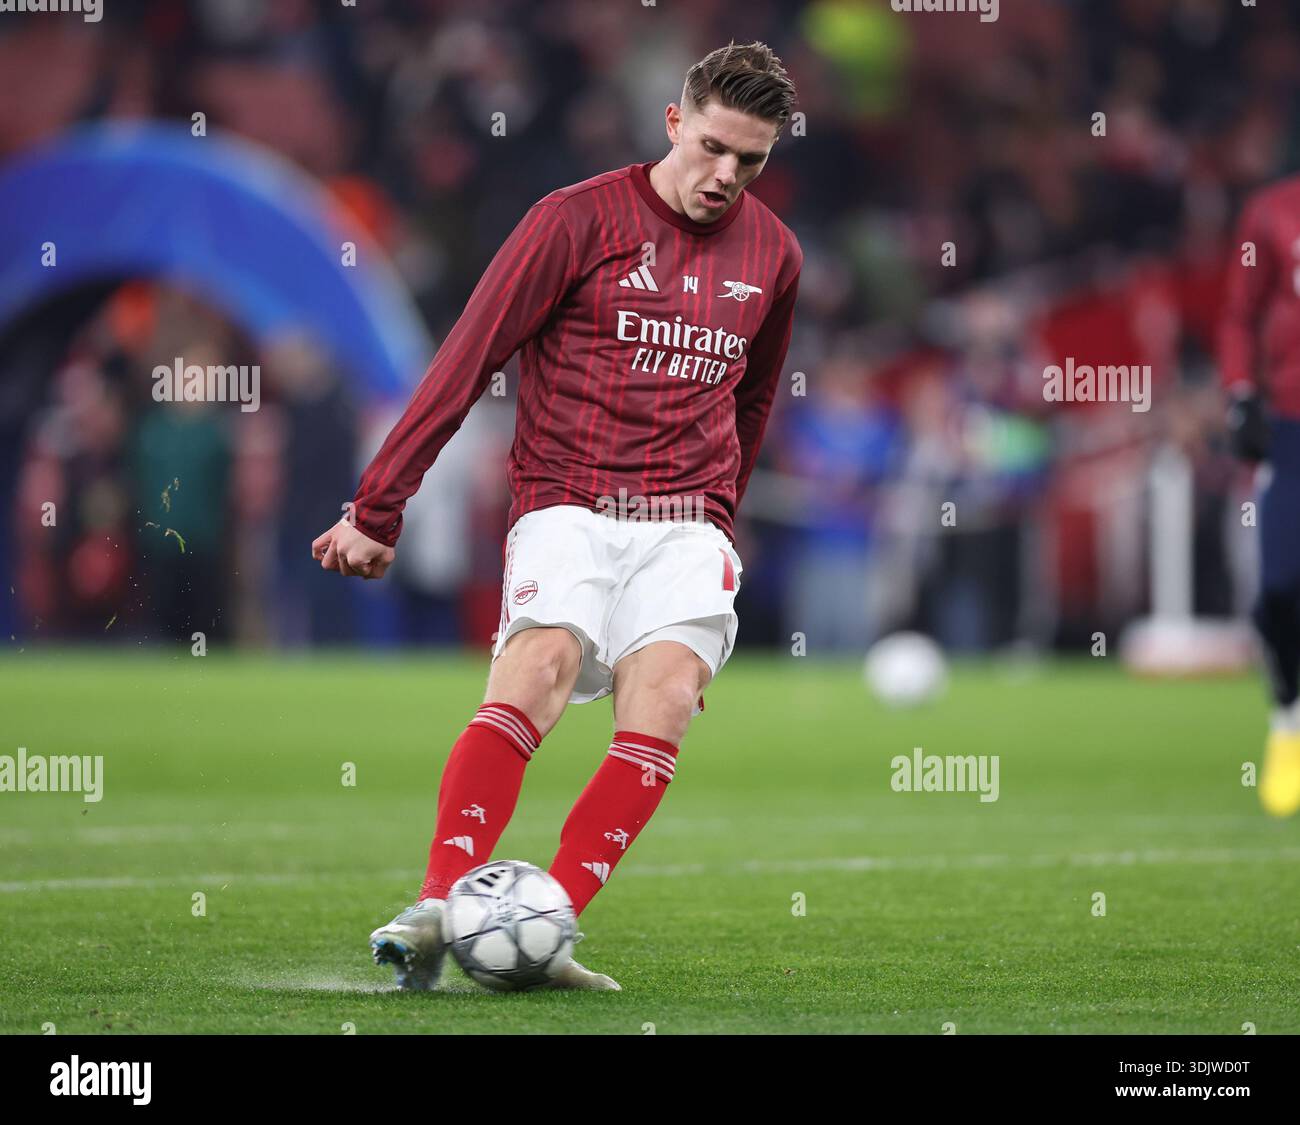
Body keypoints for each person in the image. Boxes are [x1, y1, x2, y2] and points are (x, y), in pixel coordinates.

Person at [311, 41, 803, 988]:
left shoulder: (774, 253)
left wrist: (720, 524)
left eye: (751, 161)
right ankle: (439, 898)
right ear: (673, 120)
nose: (725, 176)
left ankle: (548, 924)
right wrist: (380, 505)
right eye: (712, 147)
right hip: (568, 497)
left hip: (687, 519)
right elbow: (469, 355)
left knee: (661, 701)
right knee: (541, 665)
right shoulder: (574, 220)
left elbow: (754, 400)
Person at [1220, 173, 1300, 817]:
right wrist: (1242, 391)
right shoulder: (1273, 210)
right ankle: (1286, 719)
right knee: (1279, 586)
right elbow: (1239, 312)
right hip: (1293, 427)